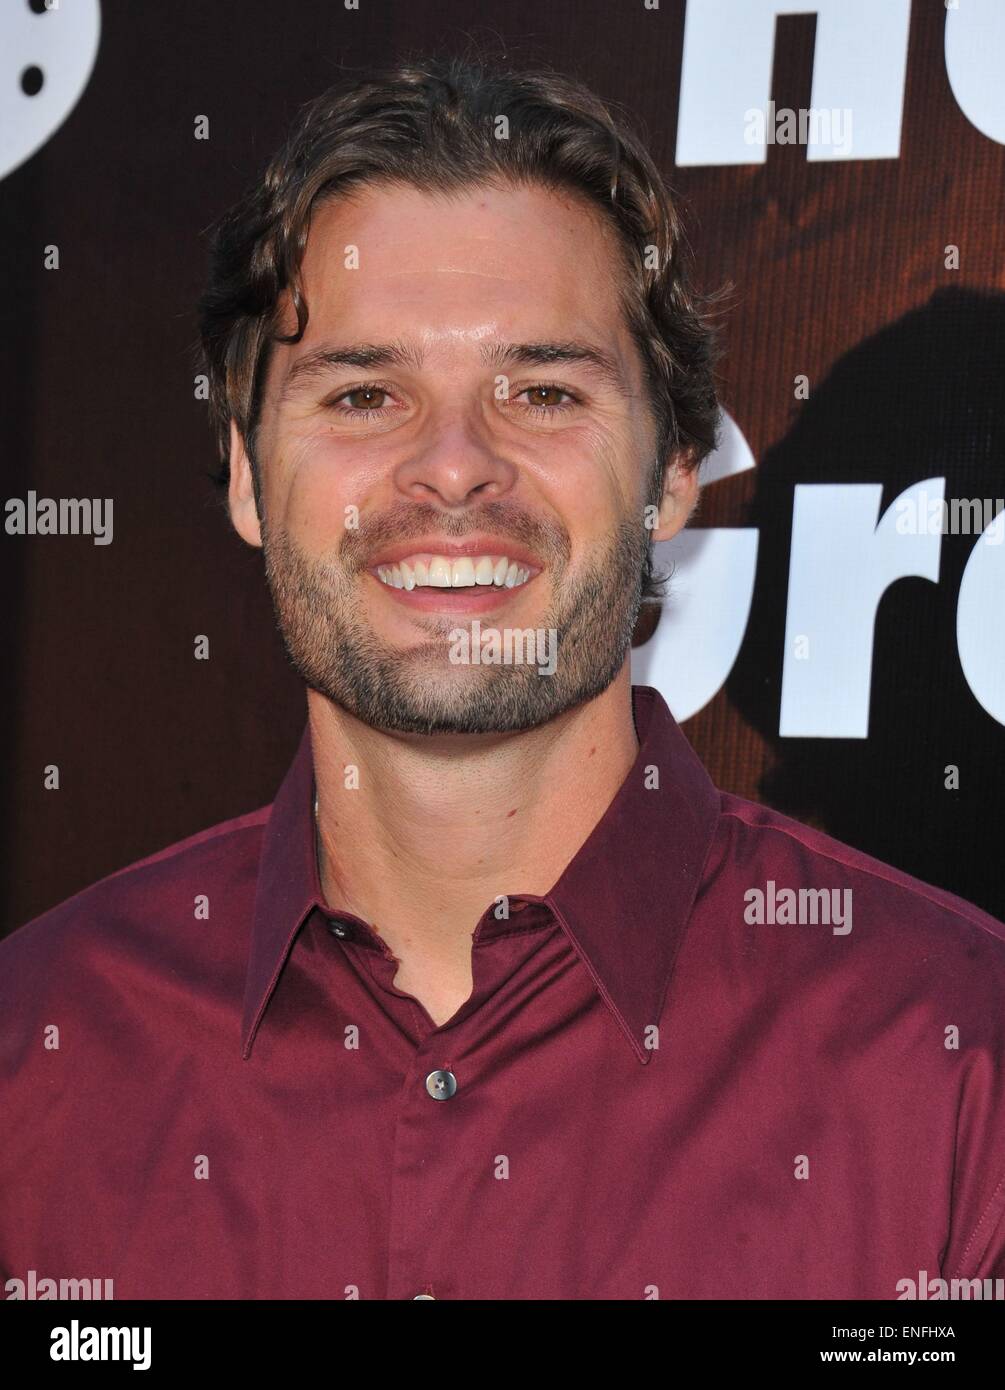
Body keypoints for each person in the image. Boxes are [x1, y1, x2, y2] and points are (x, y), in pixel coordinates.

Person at [2, 53, 1004, 1302]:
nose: (456, 468)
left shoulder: (962, 1065)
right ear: (250, 477)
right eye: (365, 392)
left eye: (540, 390)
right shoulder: (33, 1061)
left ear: (676, 470)